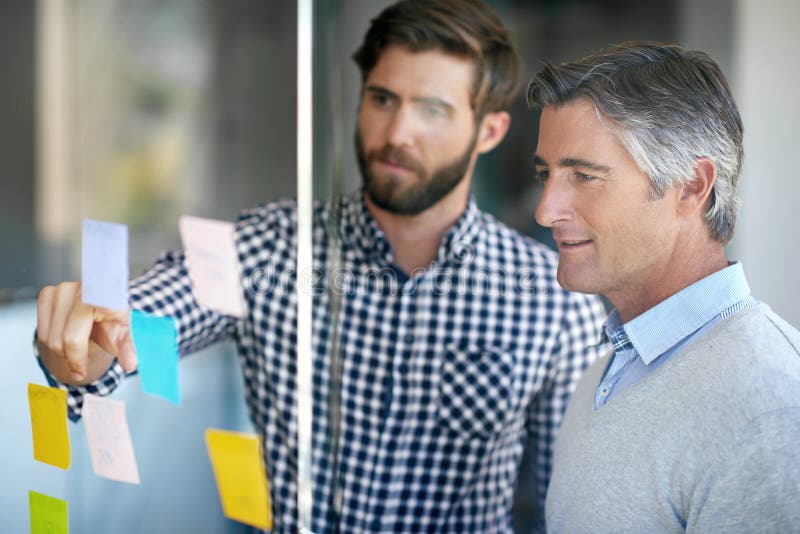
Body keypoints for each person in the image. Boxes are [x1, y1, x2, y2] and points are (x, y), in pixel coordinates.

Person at [34, 1, 607, 532]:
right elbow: (151, 310)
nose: (397, 132)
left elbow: (571, 506)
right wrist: (95, 335)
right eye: (383, 99)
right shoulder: (271, 246)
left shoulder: (553, 296)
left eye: (432, 110)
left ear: (489, 130)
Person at [527, 41, 800, 532]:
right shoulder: (605, 371)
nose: (545, 211)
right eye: (546, 174)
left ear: (692, 187)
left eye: (584, 176)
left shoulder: (766, 403)